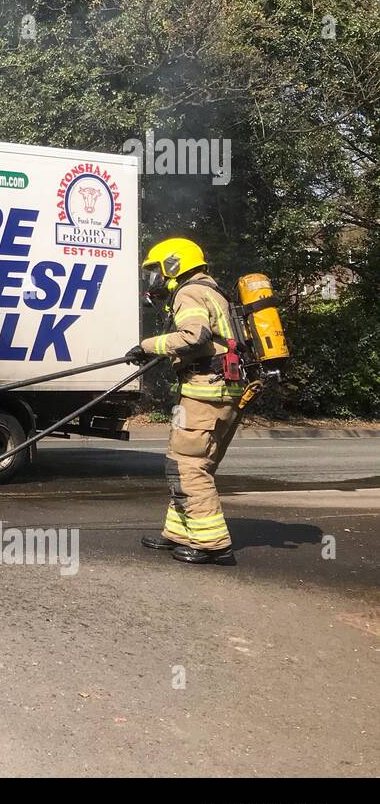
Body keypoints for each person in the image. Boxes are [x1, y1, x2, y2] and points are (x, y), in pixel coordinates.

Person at [127, 237, 243, 565]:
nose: (156, 280)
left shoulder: (190, 292)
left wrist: (147, 346)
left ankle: (213, 544)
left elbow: (195, 335)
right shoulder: (212, 290)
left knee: (190, 466)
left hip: (206, 392)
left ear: (175, 265)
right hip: (216, 390)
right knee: (183, 462)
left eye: (158, 271)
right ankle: (179, 531)